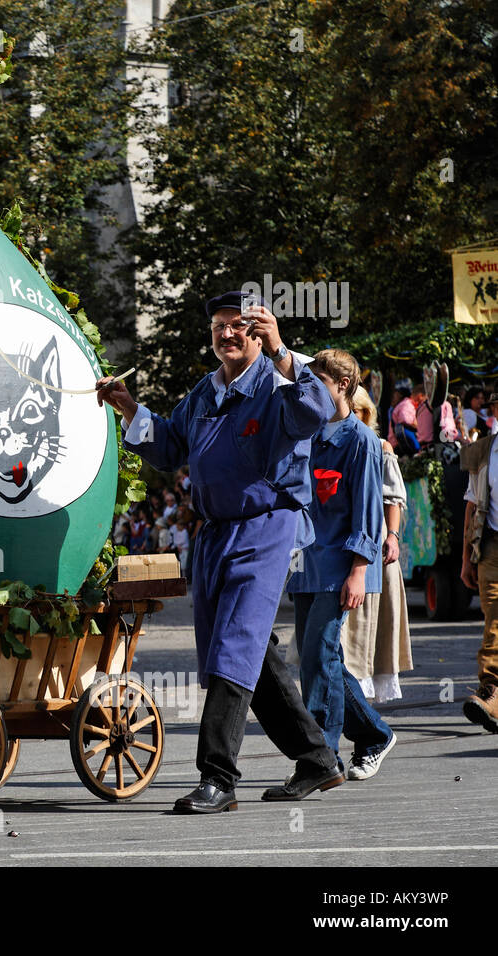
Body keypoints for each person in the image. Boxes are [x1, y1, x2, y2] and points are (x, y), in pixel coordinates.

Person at [97, 291, 342, 813]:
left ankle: (218, 777)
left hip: (265, 527)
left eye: (239, 326)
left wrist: (283, 351)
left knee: (235, 644)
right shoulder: (205, 393)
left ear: (259, 333)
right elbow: (168, 445)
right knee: (243, 652)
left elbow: (319, 409)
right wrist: (129, 407)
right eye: (218, 326)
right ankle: (317, 758)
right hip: (214, 535)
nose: (227, 334)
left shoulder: (279, 386)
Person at [287, 350, 396, 780]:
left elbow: (369, 513)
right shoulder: (307, 434)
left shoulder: (361, 442)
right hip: (307, 564)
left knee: (318, 654)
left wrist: (356, 572)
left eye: (319, 384)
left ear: (343, 386)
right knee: (319, 658)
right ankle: (374, 734)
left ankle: (322, 754)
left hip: (341, 565)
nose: (310, 391)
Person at [340, 389, 413, 703]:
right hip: (339, 540)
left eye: (357, 410)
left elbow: (393, 499)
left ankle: (360, 697)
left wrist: (392, 537)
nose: (351, 416)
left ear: (366, 414)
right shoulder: (330, 445)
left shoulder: (380, 447)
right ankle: (341, 693)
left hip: (375, 542)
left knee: (371, 620)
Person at [461, 392, 498, 734]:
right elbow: (472, 505)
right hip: (491, 544)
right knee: (495, 615)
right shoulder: (483, 451)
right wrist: (465, 559)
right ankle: (492, 690)